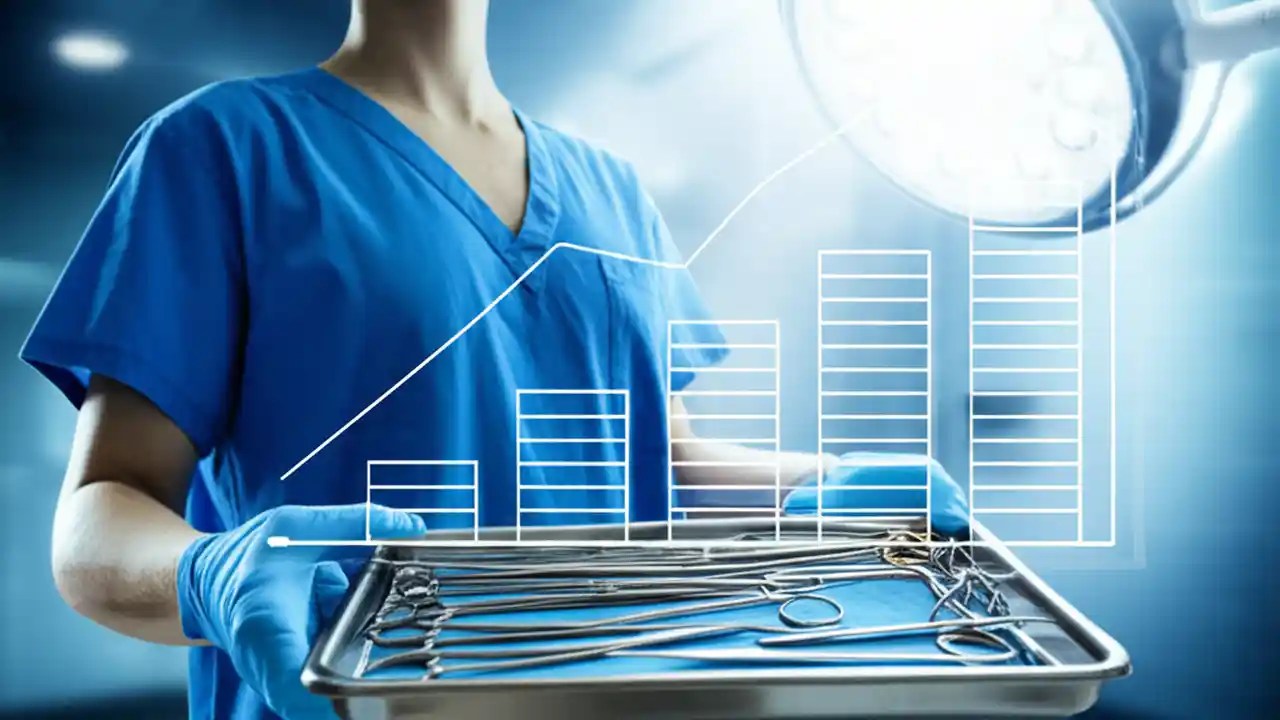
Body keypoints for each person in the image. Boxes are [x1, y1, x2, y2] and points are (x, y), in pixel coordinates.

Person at [20, 1, 968, 718]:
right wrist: (213, 575)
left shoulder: (613, 186)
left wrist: (828, 487)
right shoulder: (222, 150)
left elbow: (662, 466)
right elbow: (97, 524)